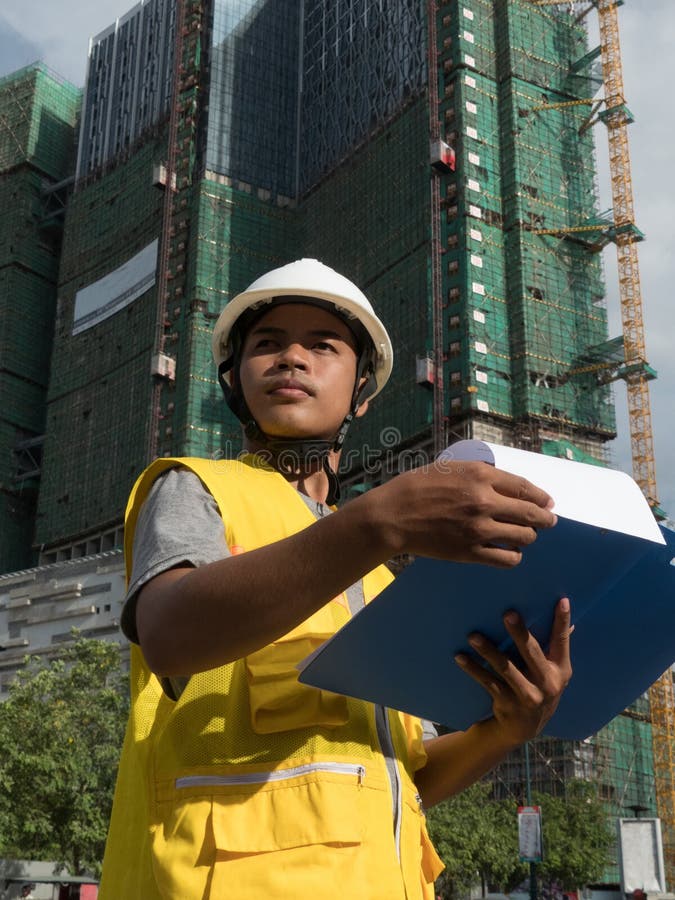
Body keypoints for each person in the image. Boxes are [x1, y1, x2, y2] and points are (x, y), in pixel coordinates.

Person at [99, 259, 572, 899]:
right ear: (235, 381)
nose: (291, 358)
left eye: (321, 346)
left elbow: (403, 778)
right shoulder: (196, 488)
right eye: (267, 345)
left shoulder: (377, 578)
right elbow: (170, 633)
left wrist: (506, 729)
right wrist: (376, 523)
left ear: (362, 394)